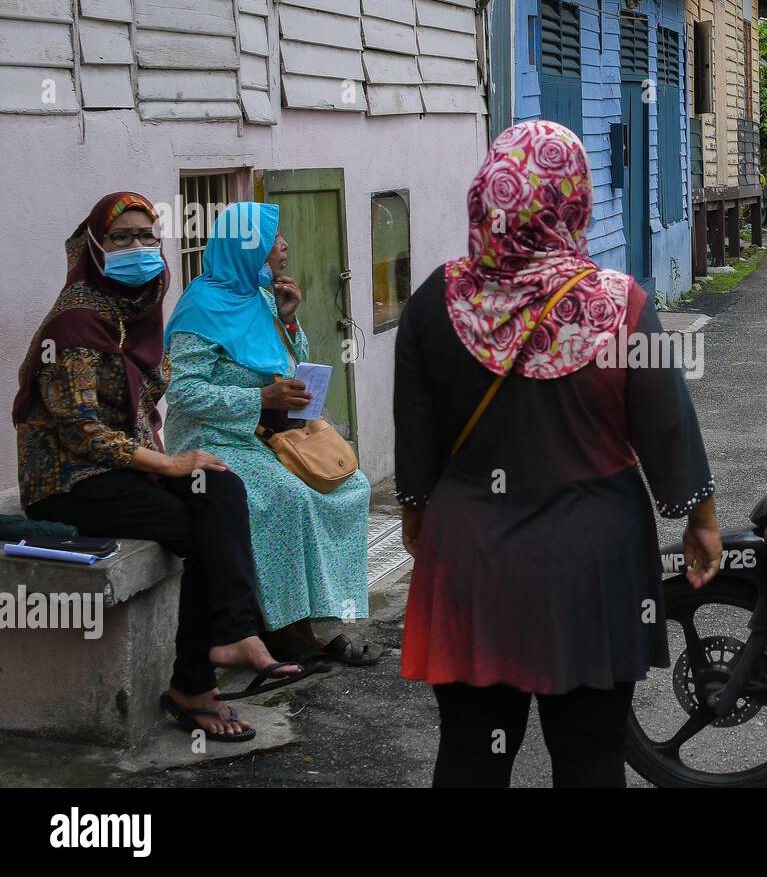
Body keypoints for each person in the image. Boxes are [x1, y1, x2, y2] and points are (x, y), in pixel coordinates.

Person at [394, 119, 723, 788]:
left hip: (471, 560)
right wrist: (701, 518)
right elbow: (667, 429)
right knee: (590, 756)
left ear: (486, 196)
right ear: (574, 198)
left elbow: (415, 441)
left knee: (470, 754)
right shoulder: (621, 304)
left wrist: (419, 517)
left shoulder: (435, 301)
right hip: (591, 561)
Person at [15, 192, 305, 743]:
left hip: (127, 469)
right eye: (122, 237)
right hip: (69, 482)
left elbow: (155, 396)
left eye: (148, 236)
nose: (139, 247)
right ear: (95, 248)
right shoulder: (75, 323)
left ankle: (235, 636)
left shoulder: (138, 311)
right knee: (204, 524)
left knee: (221, 488)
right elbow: (82, 435)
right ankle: (195, 683)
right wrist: (171, 464)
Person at [164, 203, 376, 668]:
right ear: (246, 249)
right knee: (283, 496)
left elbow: (284, 362)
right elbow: (182, 393)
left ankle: (314, 618)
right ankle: (281, 630)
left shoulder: (259, 296)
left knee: (349, 488)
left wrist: (289, 320)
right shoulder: (200, 308)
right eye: (272, 240)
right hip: (215, 436)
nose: (283, 247)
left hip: (269, 435)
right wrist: (259, 398)